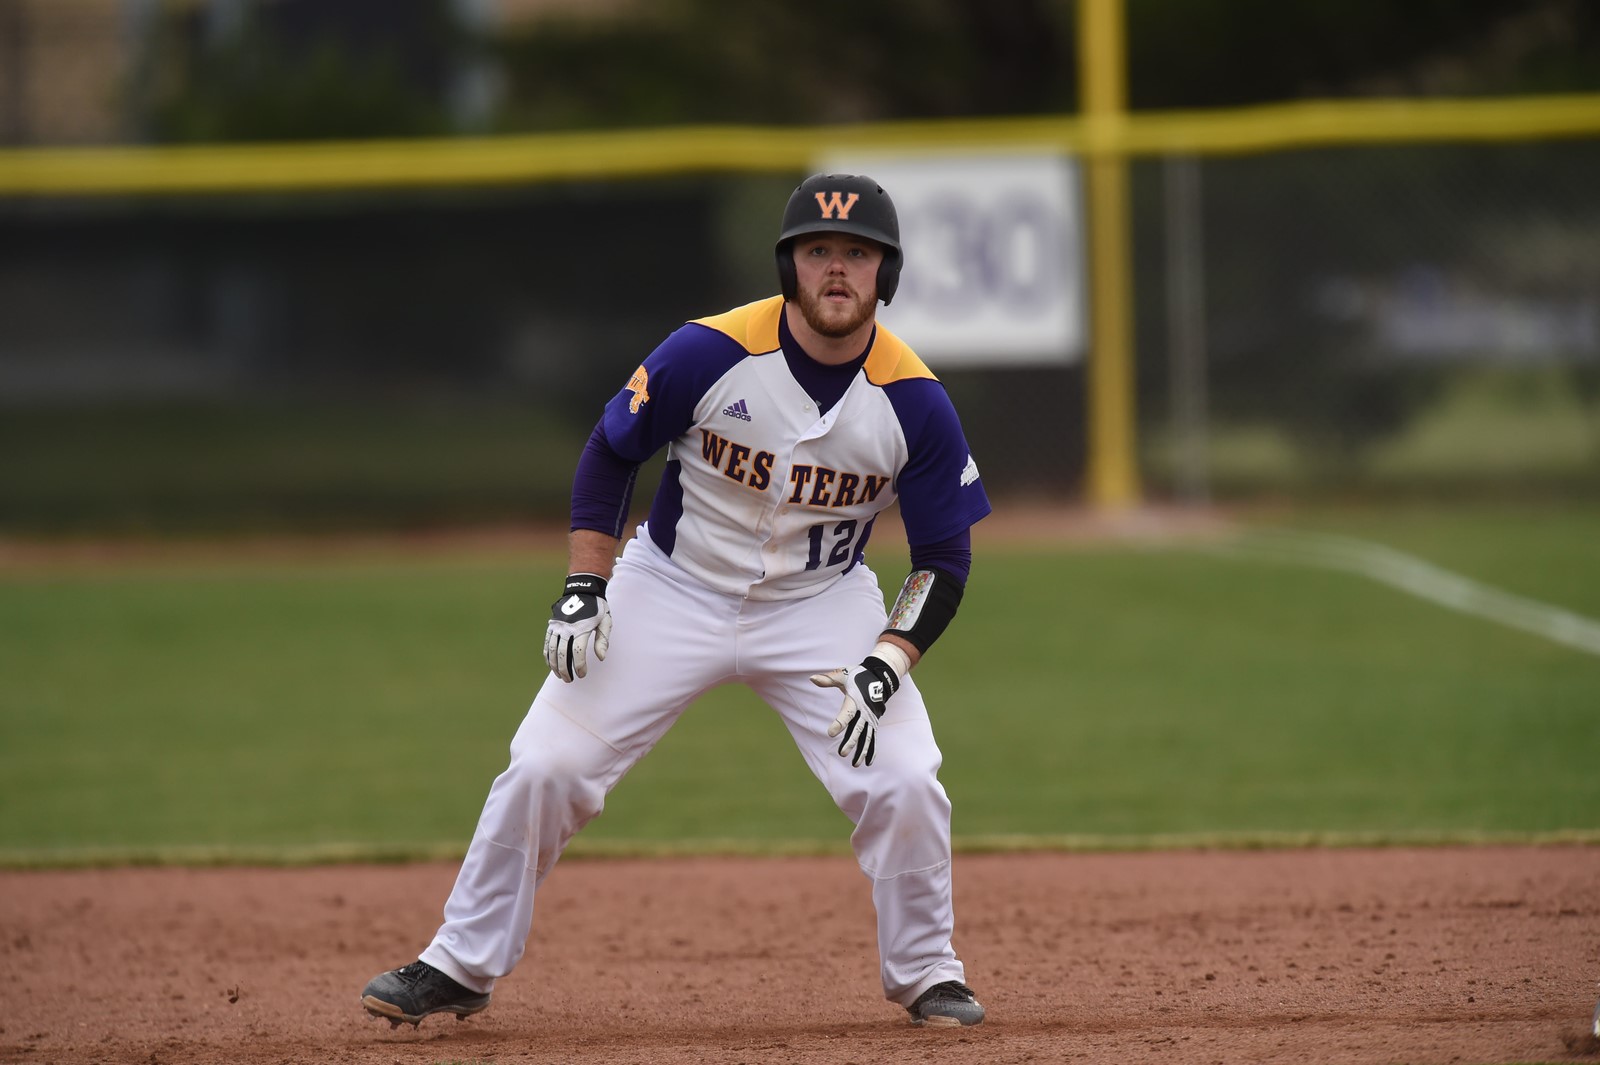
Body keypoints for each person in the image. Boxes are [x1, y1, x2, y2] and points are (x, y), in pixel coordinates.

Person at [360, 173, 992, 1029]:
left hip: (822, 606)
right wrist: (587, 583)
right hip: (671, 585)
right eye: (817, 251)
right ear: (788, 267)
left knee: (909, 779)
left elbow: (943, 557)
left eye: (857, 253)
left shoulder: (915, 400)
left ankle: (927, 973)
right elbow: (610, 450)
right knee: (548, 764)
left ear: (887, 273)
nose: (836, 270)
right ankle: (460, 963)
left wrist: (886, 660)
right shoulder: (709, 350)